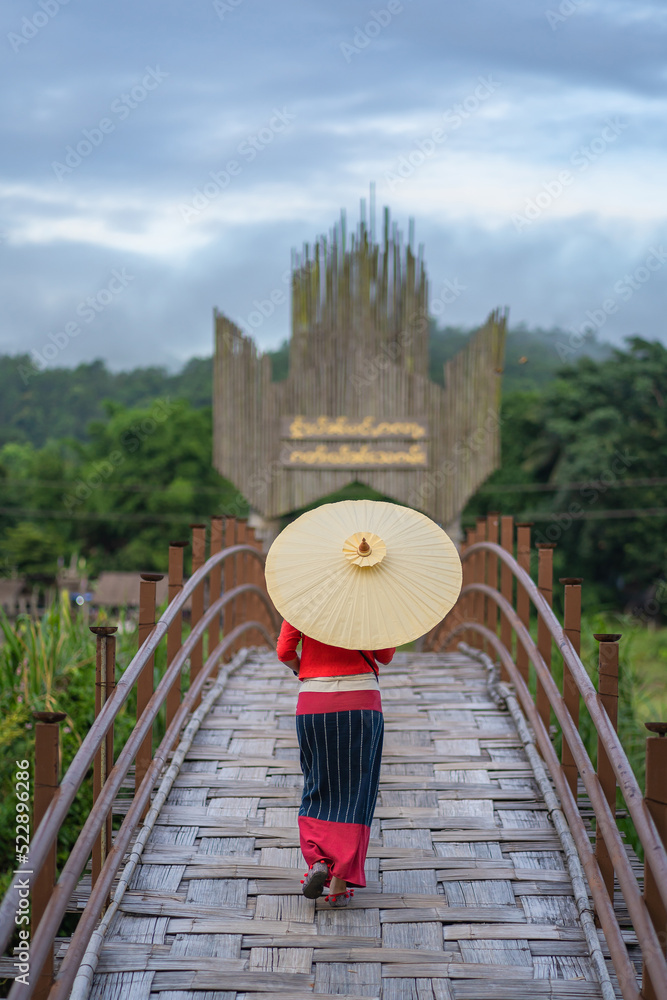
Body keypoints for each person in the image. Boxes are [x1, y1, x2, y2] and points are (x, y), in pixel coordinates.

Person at [276, 619, 395, 905]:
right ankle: (339, 882)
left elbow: (284, 651)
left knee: (317, 782)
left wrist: (303, 668)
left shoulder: (305, 599)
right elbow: (385, 656)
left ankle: (317, 860)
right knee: (357, 791)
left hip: (314, 702)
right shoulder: (374, 603)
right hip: (361, 702)